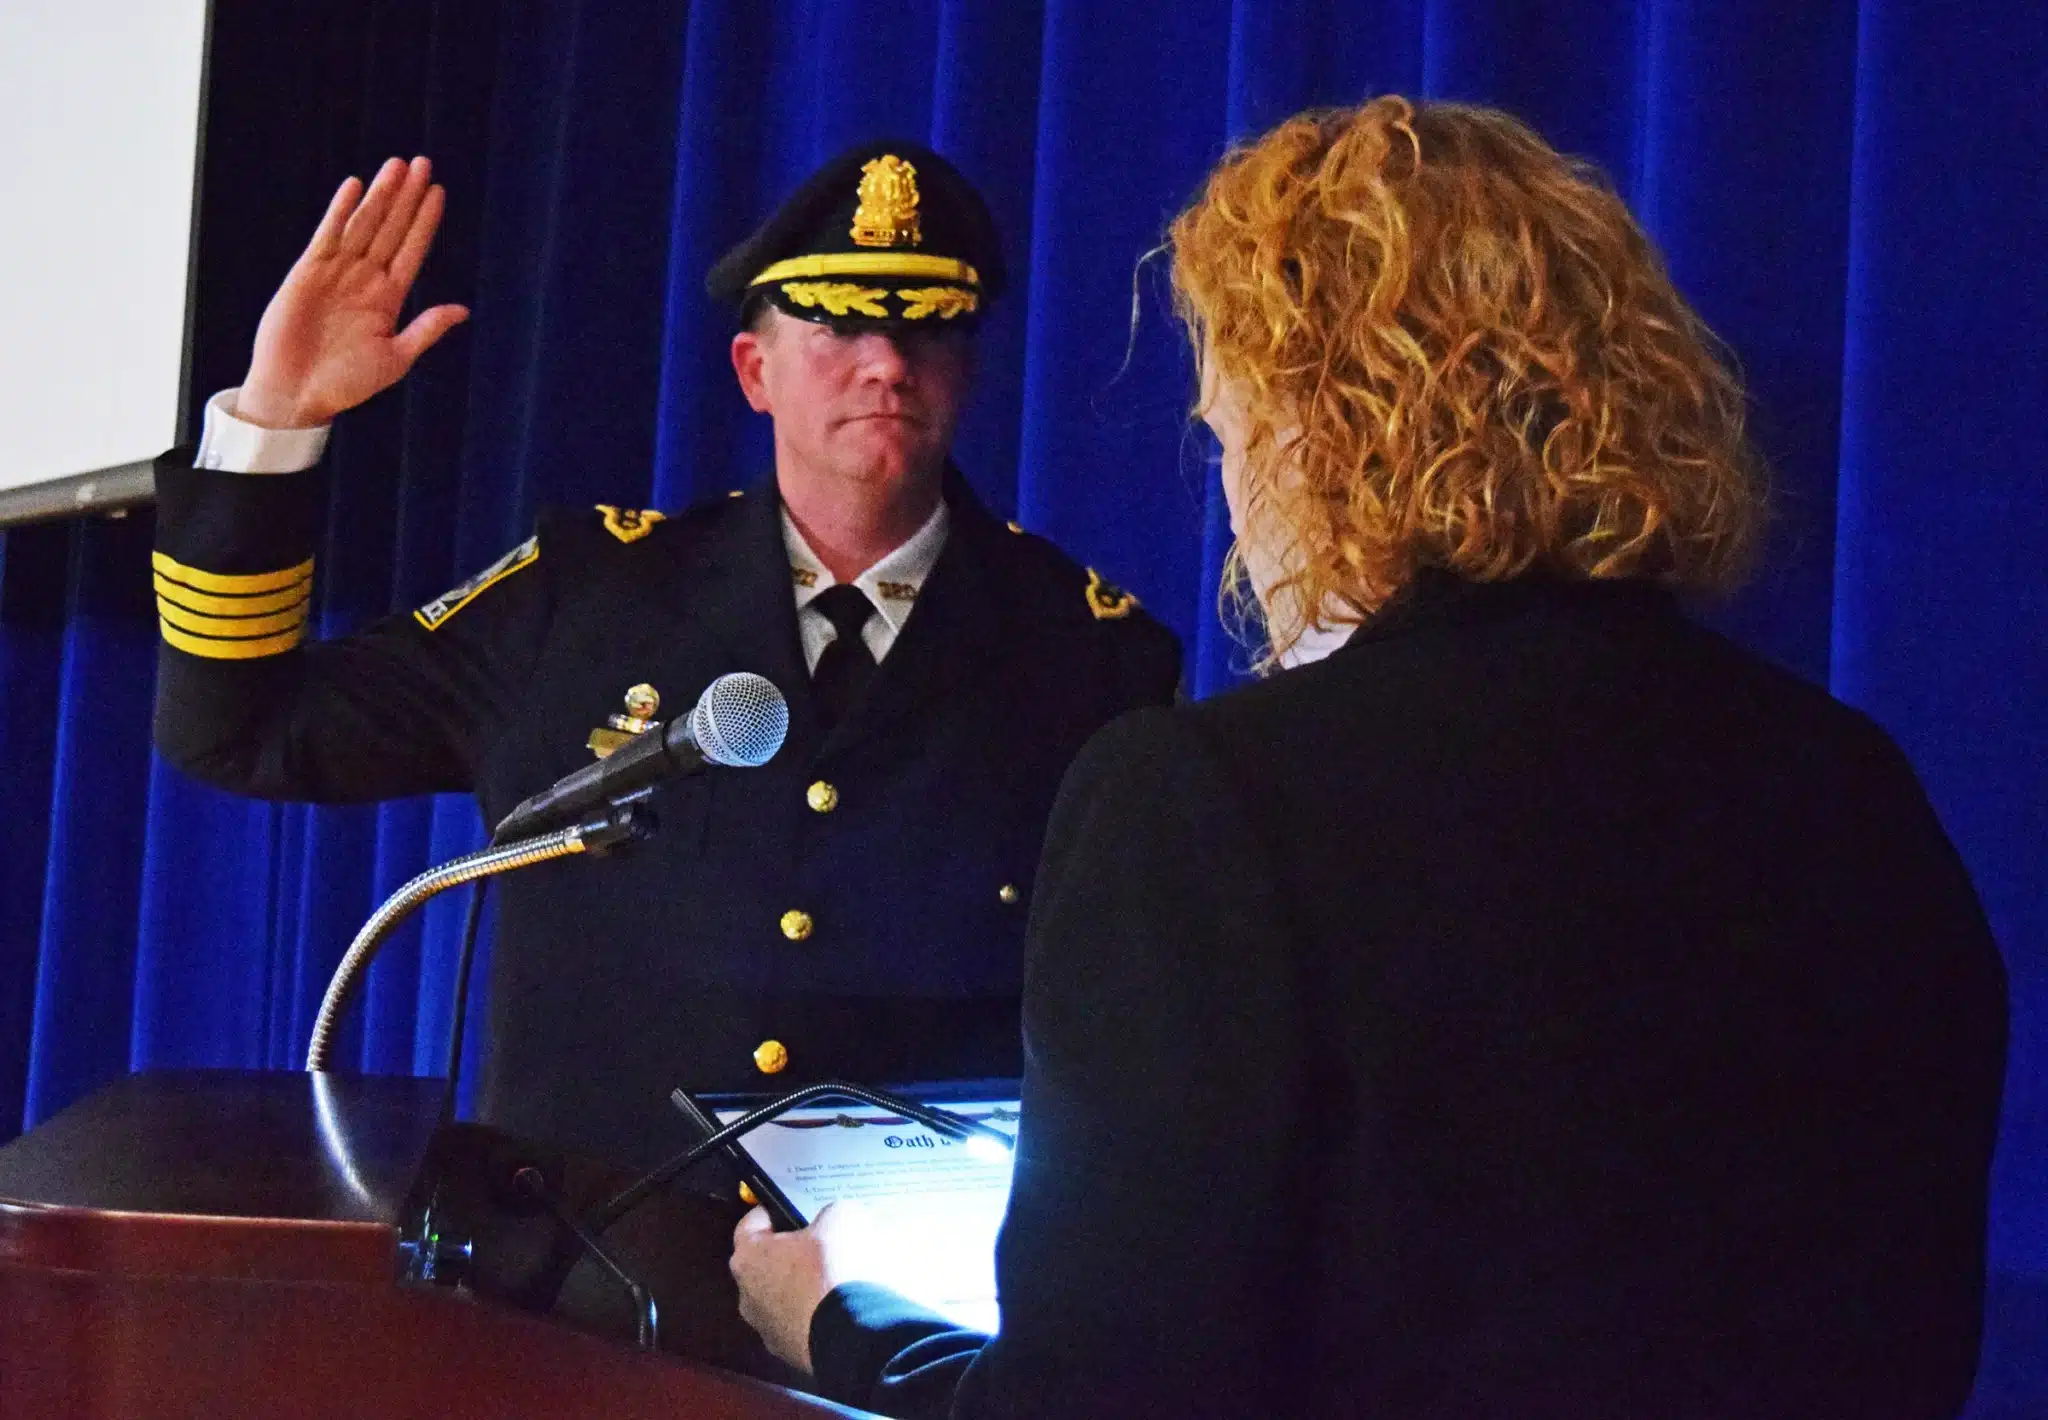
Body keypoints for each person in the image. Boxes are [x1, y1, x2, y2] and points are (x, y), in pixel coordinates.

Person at [729, 97, 2009, 1418]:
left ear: (1317, 430)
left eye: (1228, 434)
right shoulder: (1854, 786)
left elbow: (1100, 1397)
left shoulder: (1212, 804)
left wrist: (847, 1323)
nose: (1233, 500)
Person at [149, 141, 1182, 1166]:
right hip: (584, 1253)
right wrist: (275, 420)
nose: (886, 364)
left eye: (926, 328)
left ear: (968, 370)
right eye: (838, 325)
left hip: (912, 1265)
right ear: (753, 371)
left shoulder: (1087, 655)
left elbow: (1132, 1024)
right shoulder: (581, 597)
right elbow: (241, 728)